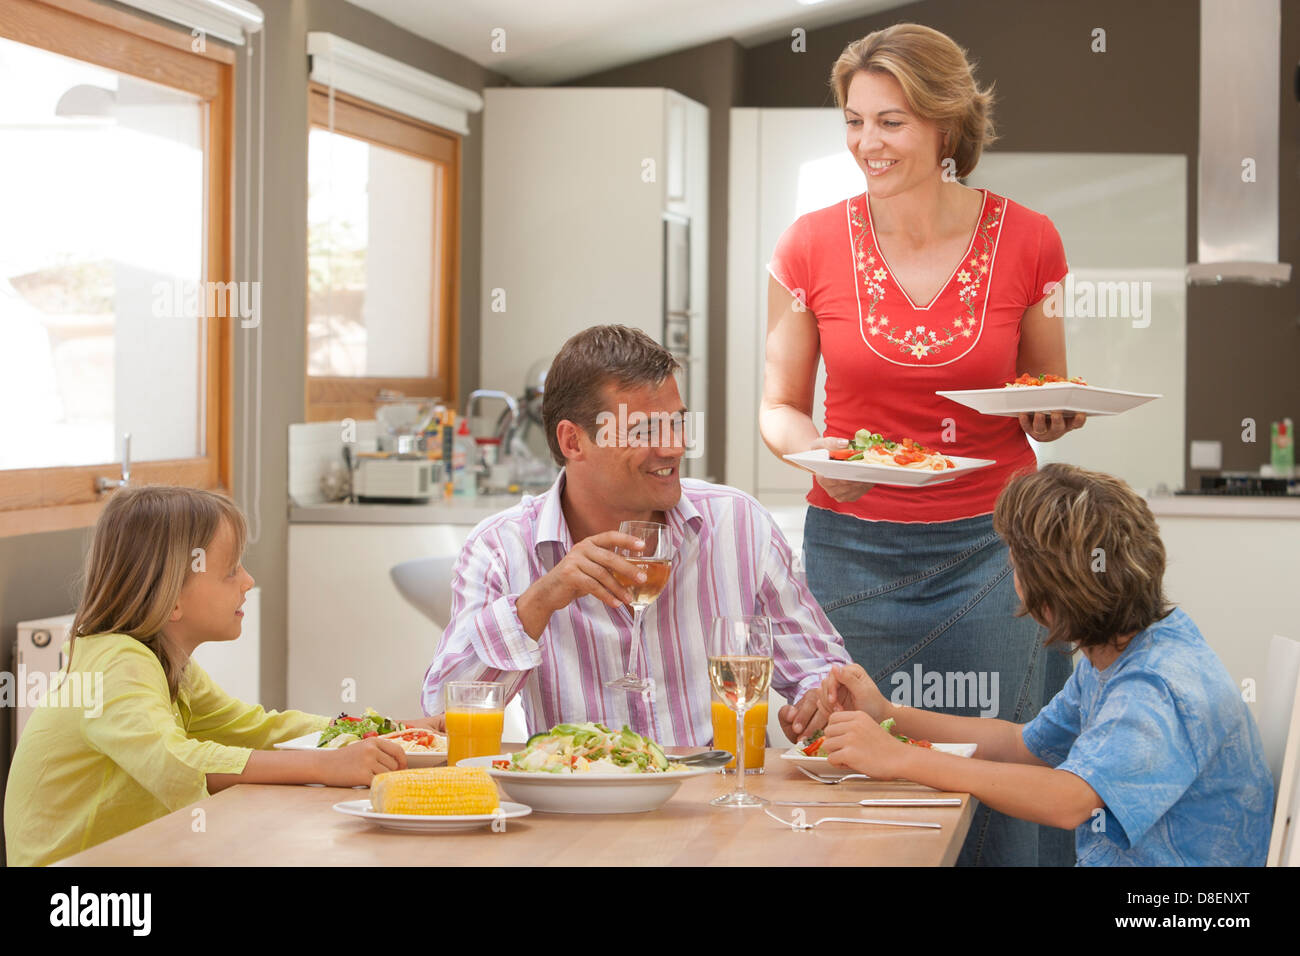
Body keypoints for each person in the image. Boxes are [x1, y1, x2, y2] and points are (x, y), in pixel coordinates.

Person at [760, 22, 1084, 865]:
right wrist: (822, 457)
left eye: (891, 121)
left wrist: (1048, 416)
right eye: (855, 120)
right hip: (852, 546)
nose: (868, 142)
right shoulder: (807, 244)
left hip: (993, 550)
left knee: (991, 766)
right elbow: (780, 406)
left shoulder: (1031, 239)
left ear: (946, 123)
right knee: (854, 766)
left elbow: (1042, 390)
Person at [816, 464, 1275, 866]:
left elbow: (1068, 800)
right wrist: (886, 714)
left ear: (1051, 594)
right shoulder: (1122, 650)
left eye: (1015, 565)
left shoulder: (1154, 688)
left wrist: (900, 758)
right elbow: (1020, 743)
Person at [422, 325, 850, 745]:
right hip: (580, 802)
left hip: (718, 794)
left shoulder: (738, 524)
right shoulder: (499, 549)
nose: (674, 447)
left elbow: (823, 670)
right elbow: (443, 711)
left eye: (678, 424)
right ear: (573, 441)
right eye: (644, 431)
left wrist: (820, 700)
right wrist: (540, 601)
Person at [4, 486, 436, 867]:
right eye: (230, 571)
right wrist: (326, 764)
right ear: (171, 598)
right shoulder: (116, 664)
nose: (248, 581)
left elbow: (256, 728)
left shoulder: (165, 662)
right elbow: (174, 763)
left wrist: (398, 733)